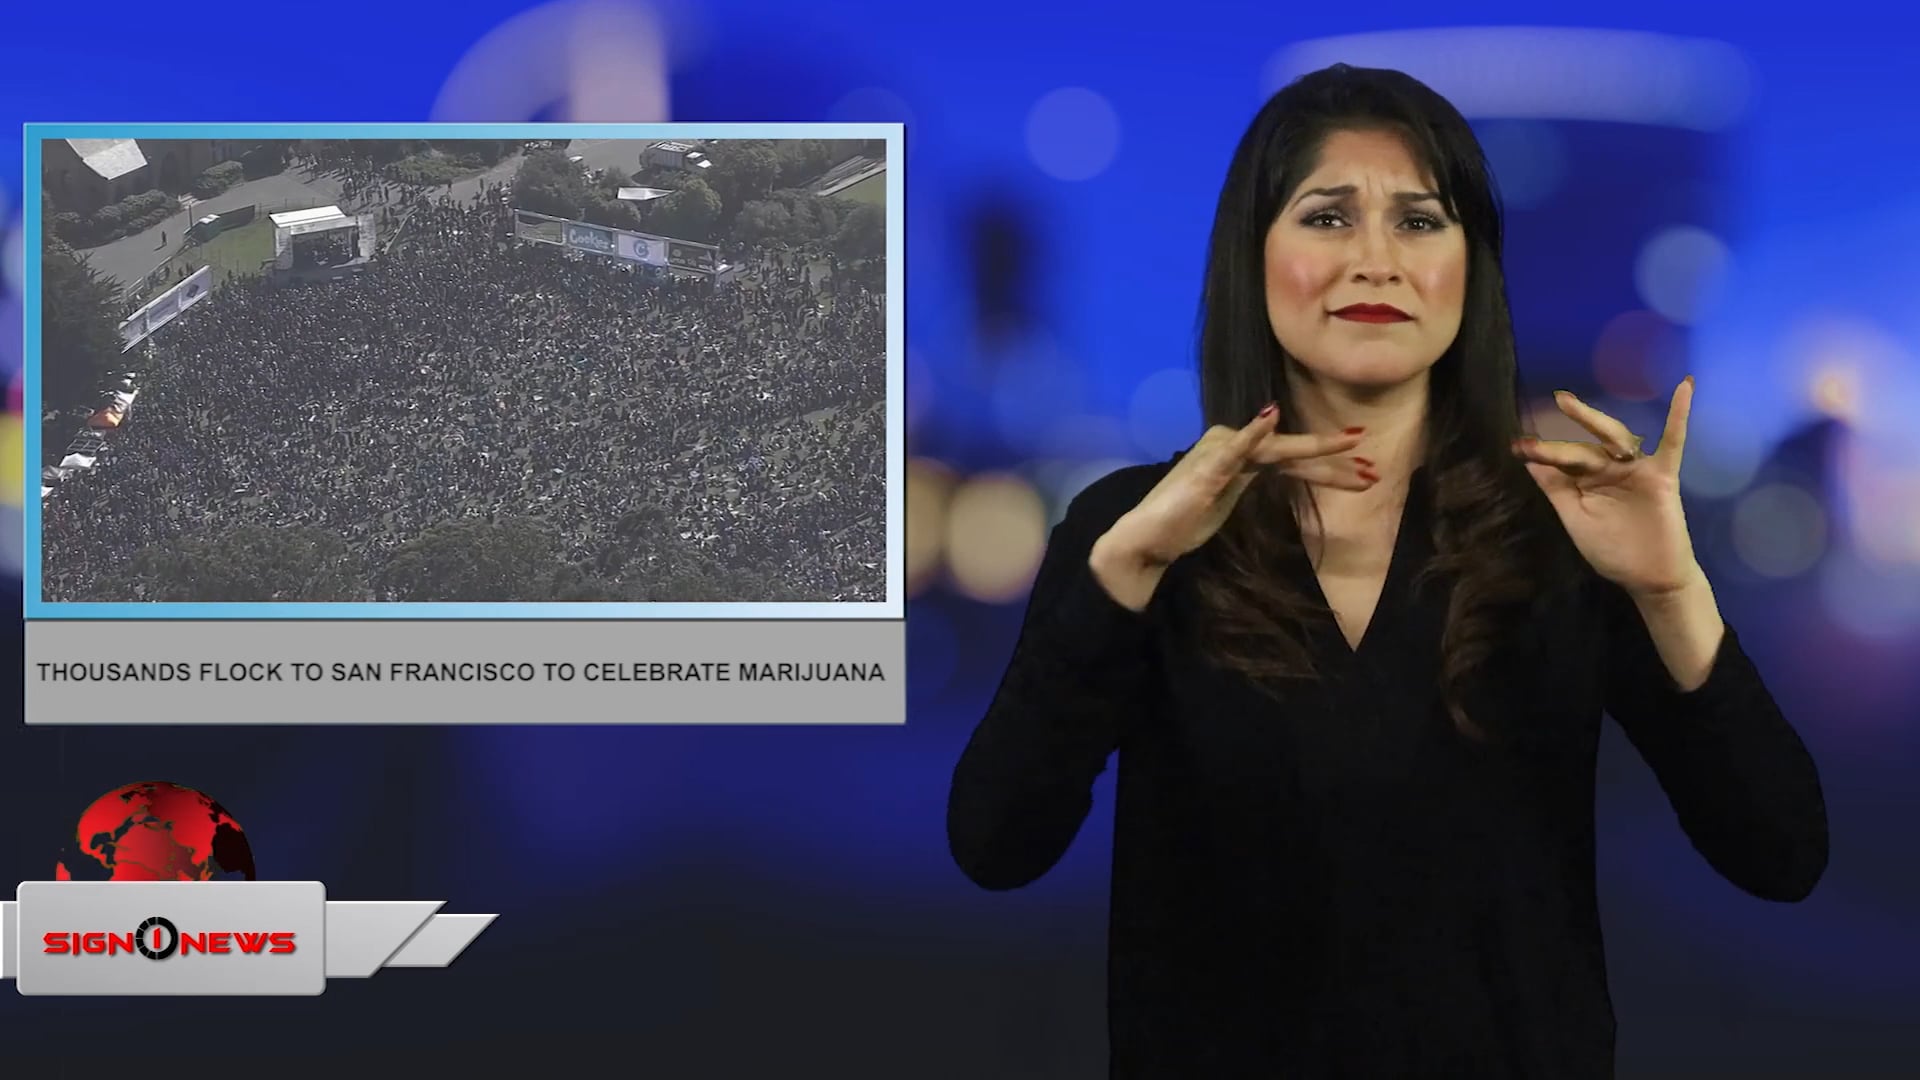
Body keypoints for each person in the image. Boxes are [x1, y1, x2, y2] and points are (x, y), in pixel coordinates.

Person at [946, 64, 1828, 1079]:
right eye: (1327, 217)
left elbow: (1782, 854)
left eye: (1418, 221)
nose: (1375, 259)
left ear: (1473, 268)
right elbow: (994, 844)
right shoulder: (1139, 527)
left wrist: (1672, 592)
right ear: (1254, 256)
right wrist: (1123, 576)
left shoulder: (1566, 534)